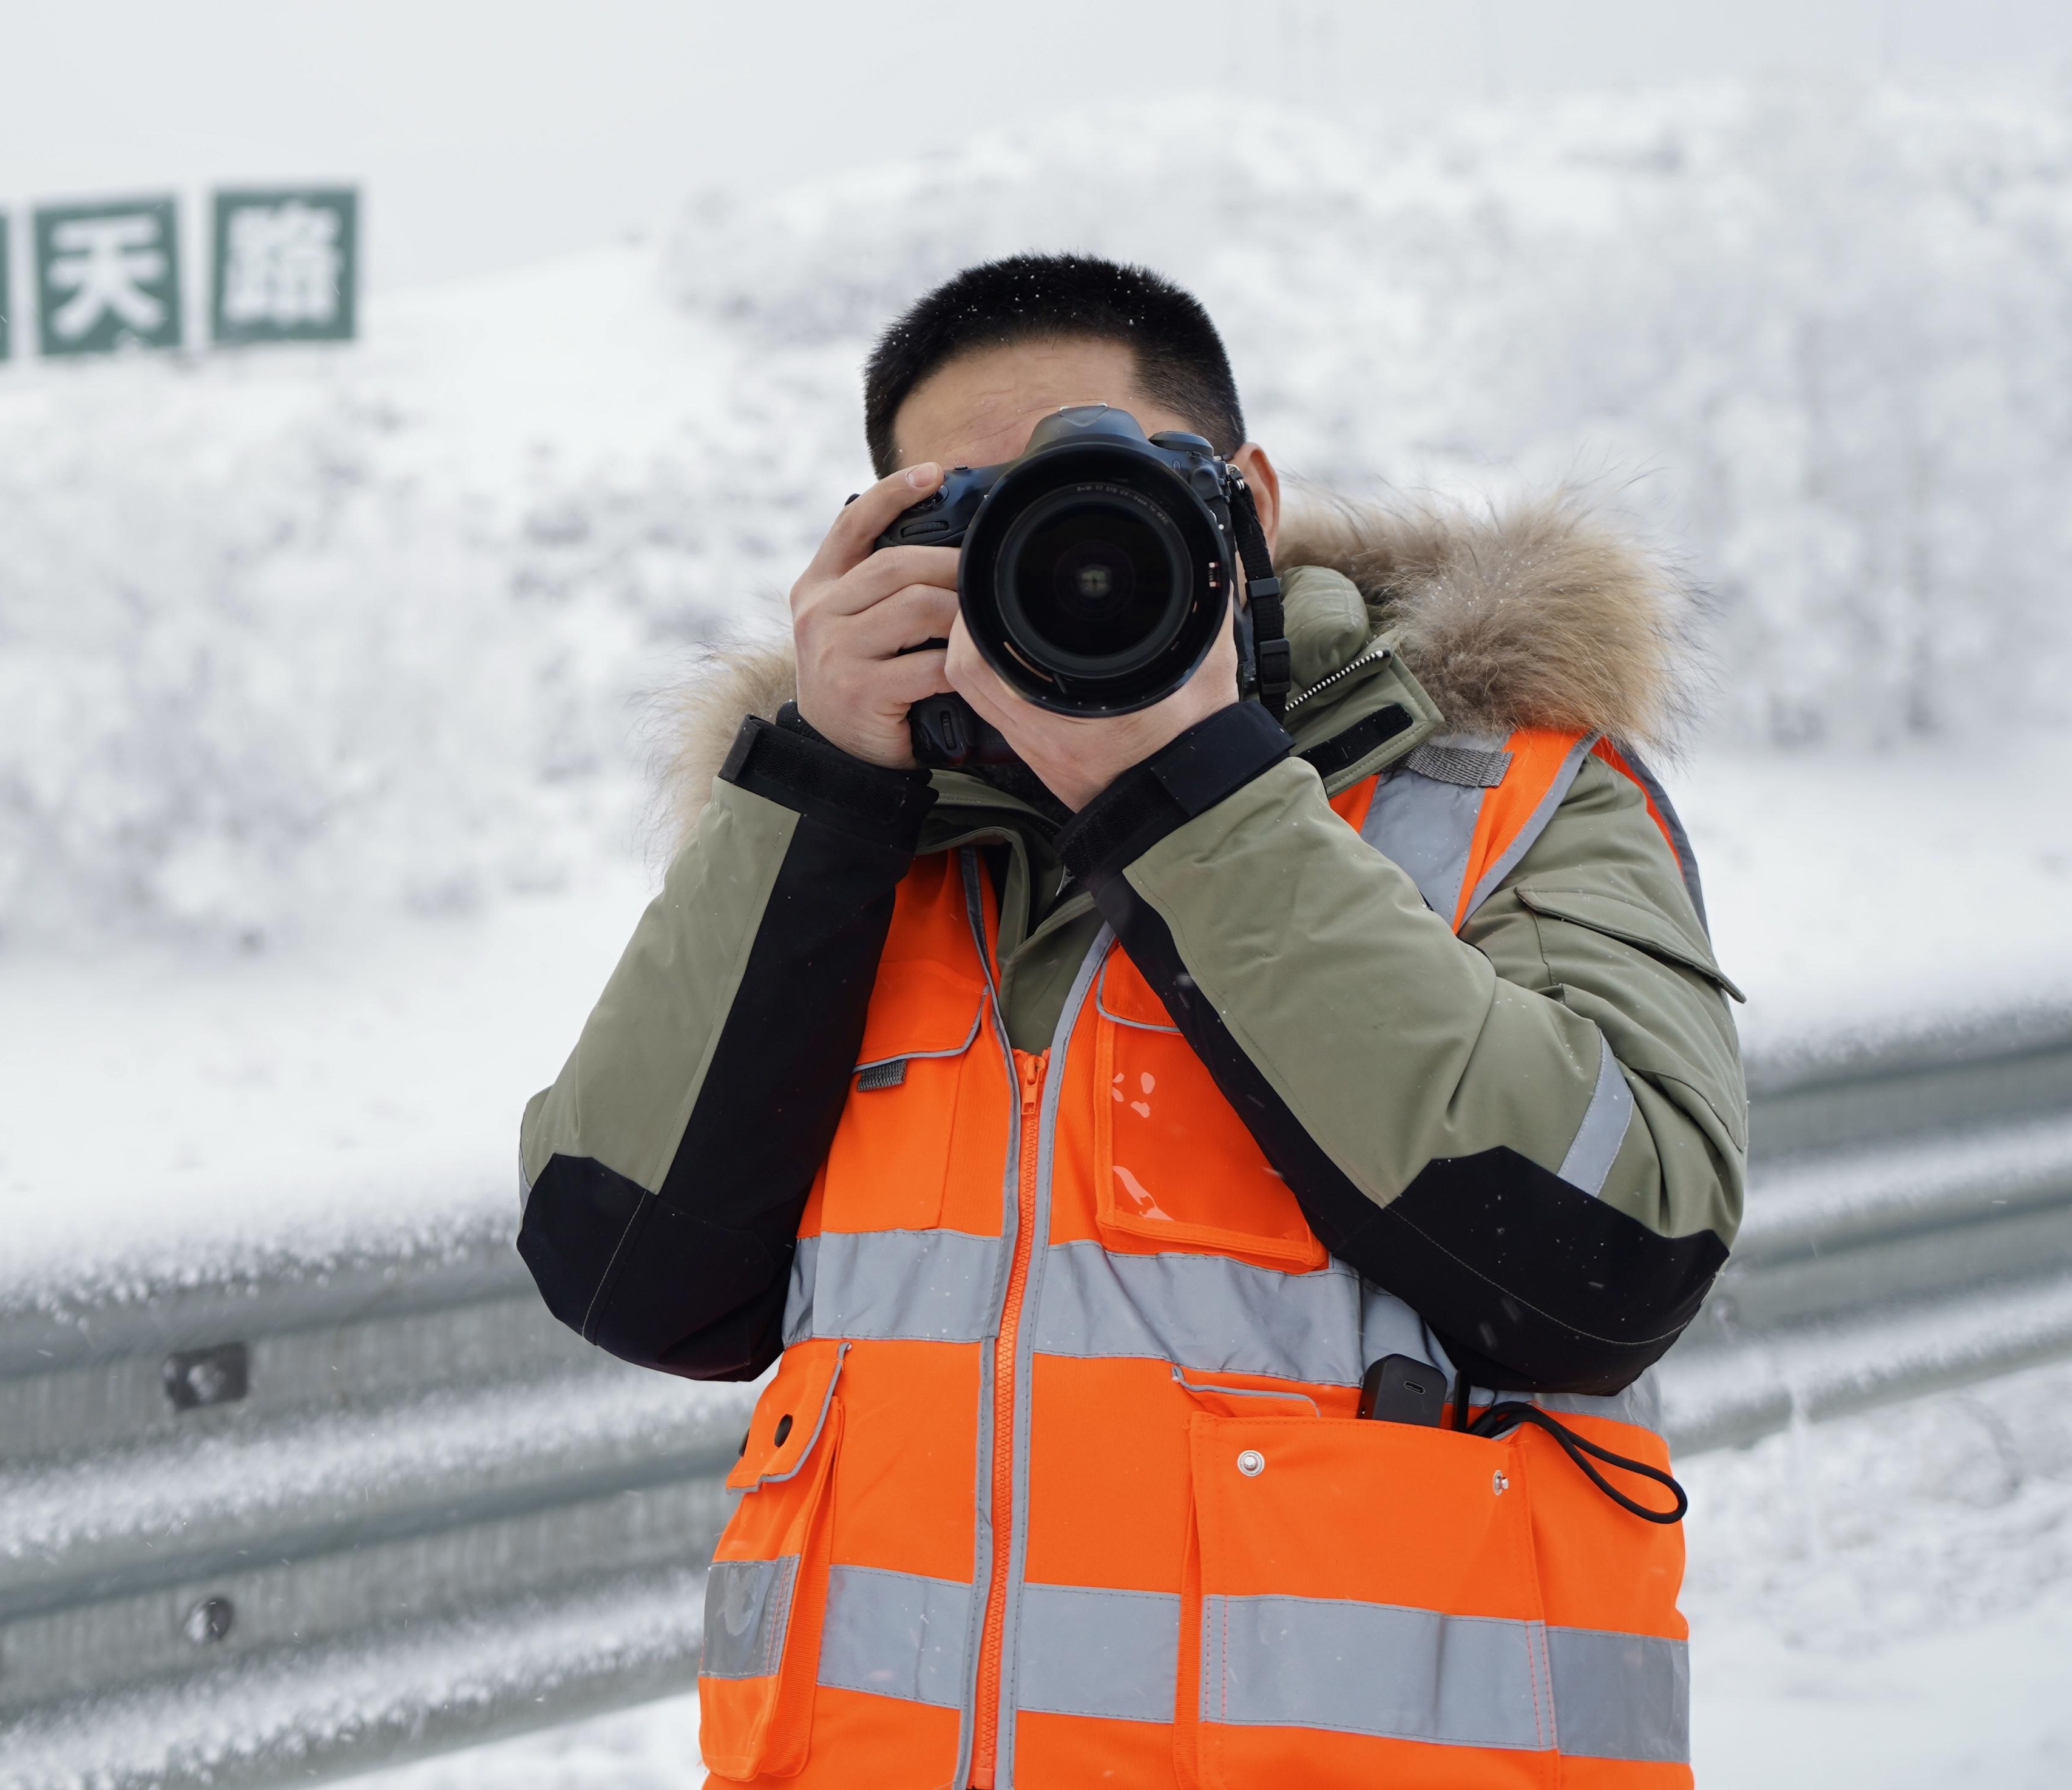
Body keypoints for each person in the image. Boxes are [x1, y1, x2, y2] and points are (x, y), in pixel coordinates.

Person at [515, 255, 1745, 1789]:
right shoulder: (847, 841)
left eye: (1097, 481)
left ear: (1246, 500)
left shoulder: (1501, 789)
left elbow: (1618, 1262)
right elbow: (625, 1267)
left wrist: (1194, 792)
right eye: (967, 515)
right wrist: (820, 783)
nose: (1055, 551)